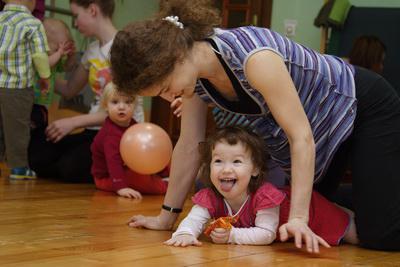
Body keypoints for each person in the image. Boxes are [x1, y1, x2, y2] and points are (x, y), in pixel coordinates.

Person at [110, 0, 400, 251]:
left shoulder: (254, 58)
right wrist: (166, 218)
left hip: (362, 106)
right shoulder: (196, 80)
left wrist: (299, 218)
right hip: (318, 130)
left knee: (380, 234)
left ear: (175, 57)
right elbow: (188, 145)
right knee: (313, 211)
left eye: (164, 87)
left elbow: (300, 137)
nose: (168, 96)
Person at [165, 126, 357, 247]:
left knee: (358, 236)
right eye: (218, 161)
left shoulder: (265, 196)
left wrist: (232, 235)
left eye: (237, 162)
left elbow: (266, 234)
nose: (226, 169)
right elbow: (194, 219)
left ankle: (346, 210)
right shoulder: (209, 195)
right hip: (289, 233)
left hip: (314, 212)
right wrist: (185, 234)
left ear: (255, 169)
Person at [28, 0, 144, 183]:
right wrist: (37, 70)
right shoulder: (92, 50)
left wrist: (72, 122)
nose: (75, 23)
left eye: (76, 16)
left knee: (69, 167)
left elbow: (122, 111)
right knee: (38, 156)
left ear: (92, 10)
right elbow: (68, 90)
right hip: (94, 131)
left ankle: (122, 168)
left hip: (120, 131)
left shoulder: (124, 47)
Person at [91, 82, 169, 198]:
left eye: (128, 102)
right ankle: (165, 186)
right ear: (105, 105)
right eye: (115, 102)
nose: (122, 107)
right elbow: (113, 162)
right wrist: (121, 187)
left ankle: (166, 177)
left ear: (135, 105)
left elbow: (148, 152)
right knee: (140, 180)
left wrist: (164, 173)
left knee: (161, 156)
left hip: (128, 168)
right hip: (107, 178)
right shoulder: (110, 135)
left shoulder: (133, 125)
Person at [0, 0, 50, 179]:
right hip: (17, 87)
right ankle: (19, 168)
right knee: (17, 128)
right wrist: (45, 77)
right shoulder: (32, 23)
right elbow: (39, 55)